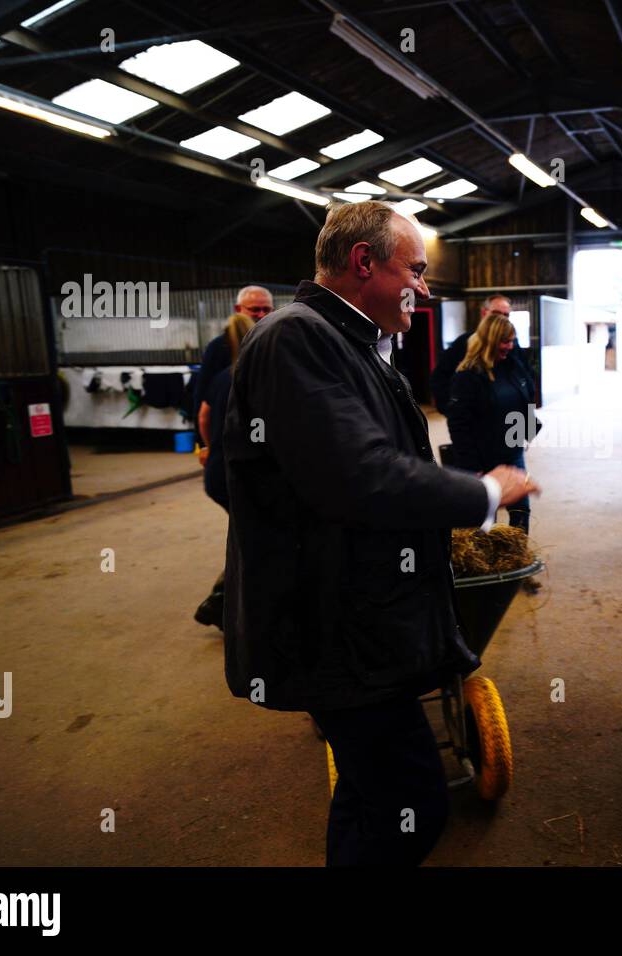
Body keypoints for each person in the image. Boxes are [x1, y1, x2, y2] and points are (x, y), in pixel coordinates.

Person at [222, 200, 538, 867]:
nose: (423, 291)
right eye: (415, 272)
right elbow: (359, 475)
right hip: (333, 631)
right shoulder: (296, 339)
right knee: (416, 806)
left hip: (365, 623)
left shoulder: (353, 346)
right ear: (364, 261)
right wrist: (482, 493)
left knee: (368, 796)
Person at [445, 311, 540, 535]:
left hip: (512, 452)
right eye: (505, 341)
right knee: (484, 516)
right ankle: (488, 566)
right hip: (482, 457)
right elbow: (458, 424)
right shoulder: (467, 376)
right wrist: (471, 466)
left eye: (512, 341)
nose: (510, 346)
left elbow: (527, 397)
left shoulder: (513, 367)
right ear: (490, 340)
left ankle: (517, 557)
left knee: (521, 509)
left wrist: (525, 433)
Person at [192, 309, 255, 628]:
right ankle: (221, 602)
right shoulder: (256, 377)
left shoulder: (221, 377)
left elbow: (203, 415)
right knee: (253, 538)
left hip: (216, 472)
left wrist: (208, 446)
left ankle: (224, 600)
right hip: (238, 474)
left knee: (245, 534)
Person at [191, 285, 273, 442]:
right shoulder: (219, 347)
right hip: (229, 426)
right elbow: (203, 392)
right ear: (238, 308)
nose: (261, 314)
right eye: (255, 309)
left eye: (266, 309)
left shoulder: (276, 341)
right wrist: (202, 442)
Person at [430, 294, 511, 415]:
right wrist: (453, 410)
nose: (502, 318)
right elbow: (439, 379)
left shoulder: (513, 346)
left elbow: (525, 386)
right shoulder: (464, 343)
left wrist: (529, 426)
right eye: (497, 313)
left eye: (506, 315)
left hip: (509, 421)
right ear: (484, 313)